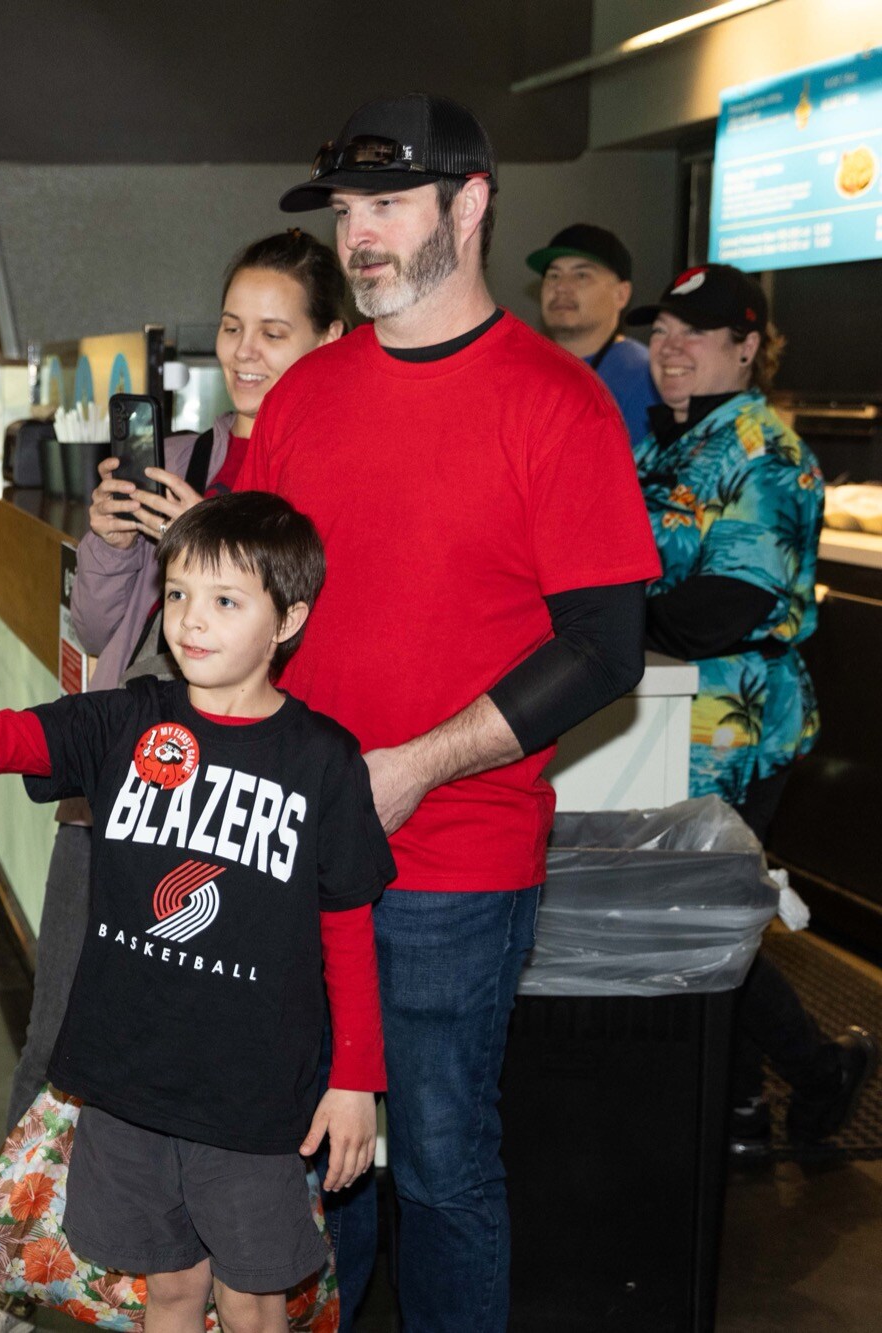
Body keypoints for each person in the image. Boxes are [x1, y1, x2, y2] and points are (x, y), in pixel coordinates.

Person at [240, 93, 660, 1330]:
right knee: (316, 1166)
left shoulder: (554, 403)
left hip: (450, 868)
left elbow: (602, 646)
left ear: (467, 203)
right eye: (347, 211)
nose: (357, 237)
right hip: (293, 855)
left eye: (387, 205)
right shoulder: (307, 397)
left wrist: (417, 764)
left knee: (437, 1169)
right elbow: (258, 602)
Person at [0, 492, 391, 1333]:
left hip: (254, 1096)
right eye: (179, 593)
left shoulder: (323, 759)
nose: (191, 620)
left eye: (226, 601)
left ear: (288, 619)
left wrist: (356, 1078)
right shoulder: (126, 720)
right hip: (127, 1081)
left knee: (256, 1297)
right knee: (169, 1286)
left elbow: (347, 923)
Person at [0, 229, 348, 1333]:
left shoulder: (326, 469)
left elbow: (322, 651)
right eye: (231, 329)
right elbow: (101, 634)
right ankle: (22, 1280)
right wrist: (120, 540)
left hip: (244, 821)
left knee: (225, 1087)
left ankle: (221, 1299)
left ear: (329, 340)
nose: (247, 353)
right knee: (59, 1035)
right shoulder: (188, 450)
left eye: (275, 332)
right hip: (126, 789)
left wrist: (210, 556)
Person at [627, 263, 875, 1152]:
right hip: (669, 726)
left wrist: (604, 617)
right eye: (661, 333)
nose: (672, 348)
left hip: (734, 731)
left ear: (746, 347)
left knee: (706, 919)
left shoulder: (762, 453)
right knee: (704, 915)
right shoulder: (674, 442)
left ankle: (817, 1071)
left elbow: (721, 608)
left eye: (695, 334)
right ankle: (736, 1104)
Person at [527, 223, 660, 440]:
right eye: (553, 275)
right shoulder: (526, 369)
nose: (561, 287)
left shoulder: (643, 377)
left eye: (581, 276)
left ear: (621, 294)